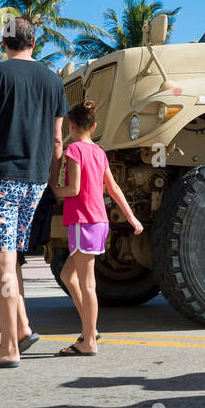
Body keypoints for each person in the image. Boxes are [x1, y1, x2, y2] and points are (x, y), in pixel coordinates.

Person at [0, 16, 66, 367]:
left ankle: (7, 348)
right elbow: (57, 141)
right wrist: (51, 181)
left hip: (0, 178)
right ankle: (20, 328)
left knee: (3, 265)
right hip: (35, 180)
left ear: (3, 43)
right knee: (14, 258)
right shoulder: (53, 81)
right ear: (33, 42)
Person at [49, 100, 143, 355]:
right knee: (68, 276)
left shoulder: (74, 150)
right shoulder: (99, 152)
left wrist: (53, 189)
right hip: (99, 221)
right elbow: (114, 188)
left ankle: (89, 341)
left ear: (71, 125)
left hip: (83, 221)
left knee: (87, 284)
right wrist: (131, 217)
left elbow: (73, 189)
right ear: (94, 126)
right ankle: (90, 329)